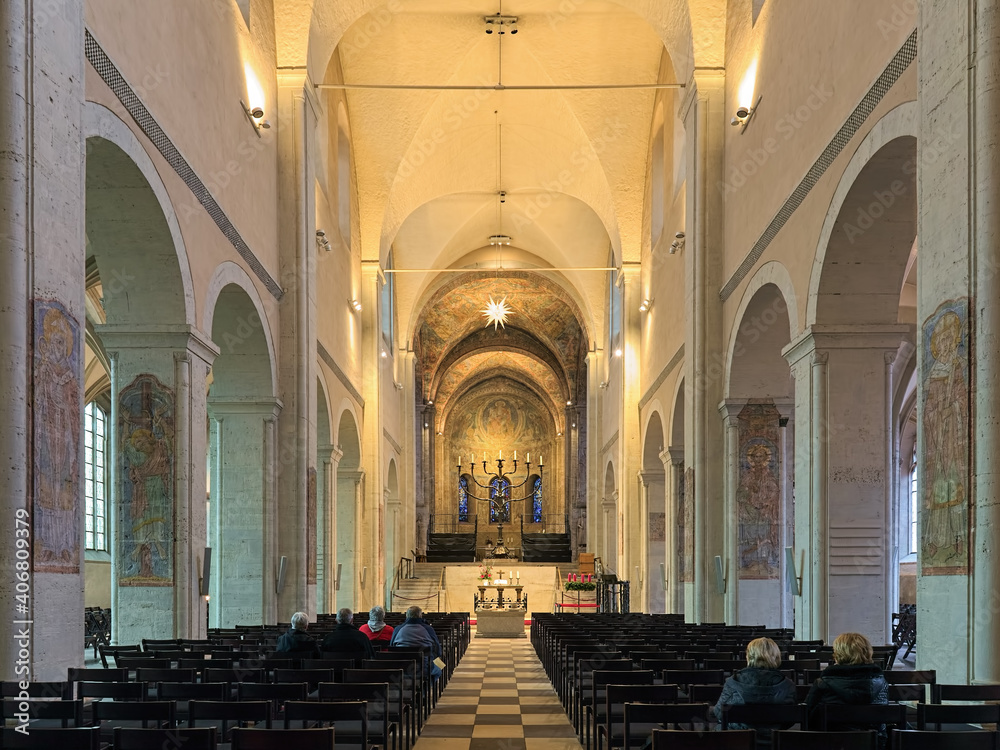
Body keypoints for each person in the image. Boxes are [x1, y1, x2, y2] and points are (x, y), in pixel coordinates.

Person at [805, 632, 889, 742]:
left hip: (830, 742)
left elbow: (806, 715)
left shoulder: (823, 683)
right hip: (872, 743)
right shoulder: (881, 682)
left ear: (838, 654)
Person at [713, 637, 795, 744]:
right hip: (773, 741)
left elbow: (719, 713)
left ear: (749, 656)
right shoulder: (787, 684)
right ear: (776, 657)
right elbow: (790, 718)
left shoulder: (733, 681)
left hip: (737, 740)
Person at [389, 605, 443, 678]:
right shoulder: (428, 629)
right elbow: (437, 650)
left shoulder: (398, 629)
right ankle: (425, 687)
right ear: (420, 615)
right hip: (424, 668)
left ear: (406, 615)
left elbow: (392, 648)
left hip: (401, 668)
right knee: (440, 668)